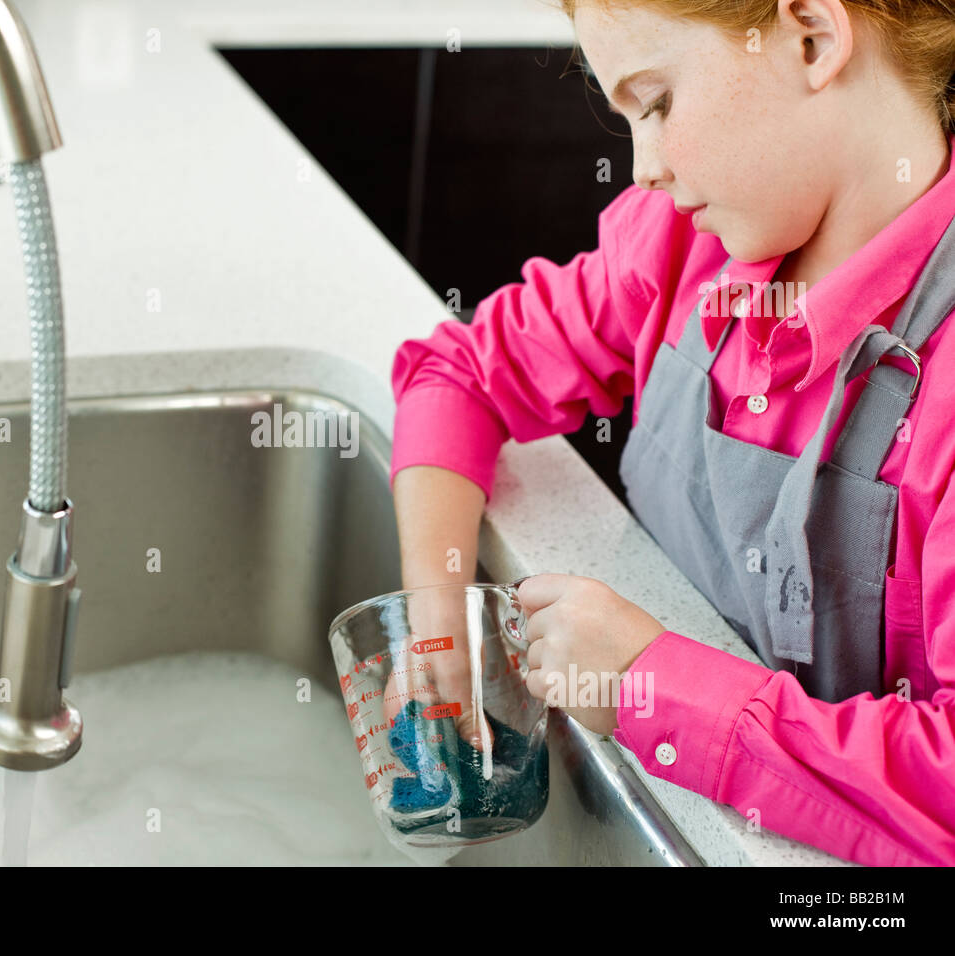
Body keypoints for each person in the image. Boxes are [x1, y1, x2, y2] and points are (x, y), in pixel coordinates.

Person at [388, 0, 955, 866]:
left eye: (654, 104)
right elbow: (459, 373)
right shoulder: (683, 250)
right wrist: (438, 619)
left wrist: (656, 686)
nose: (642, 167)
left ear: (811, 35)